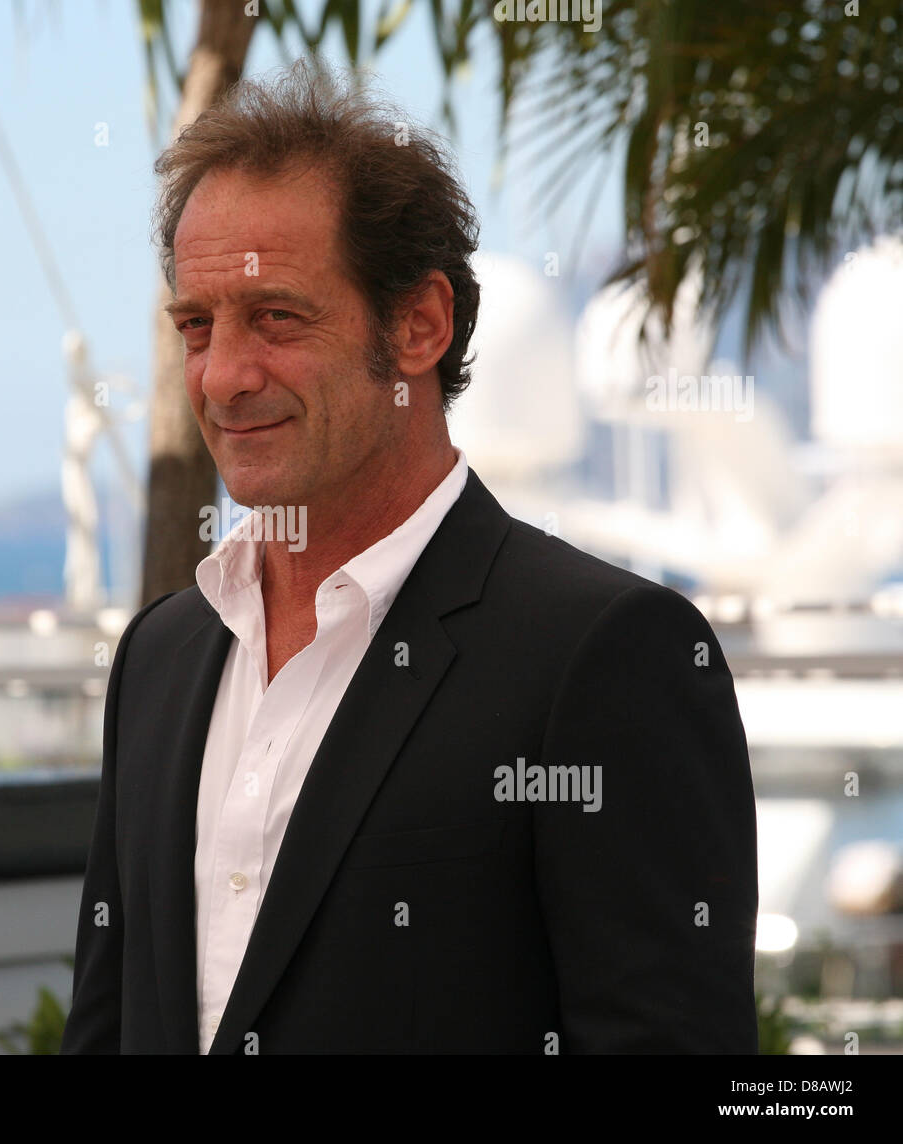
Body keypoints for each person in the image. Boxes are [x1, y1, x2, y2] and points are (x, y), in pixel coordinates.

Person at [61, 60, 758, 1054]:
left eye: (276, 317)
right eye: (196, 326)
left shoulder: (602, 656)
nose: (221, 376)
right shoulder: (161, 658)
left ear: (420, 323)